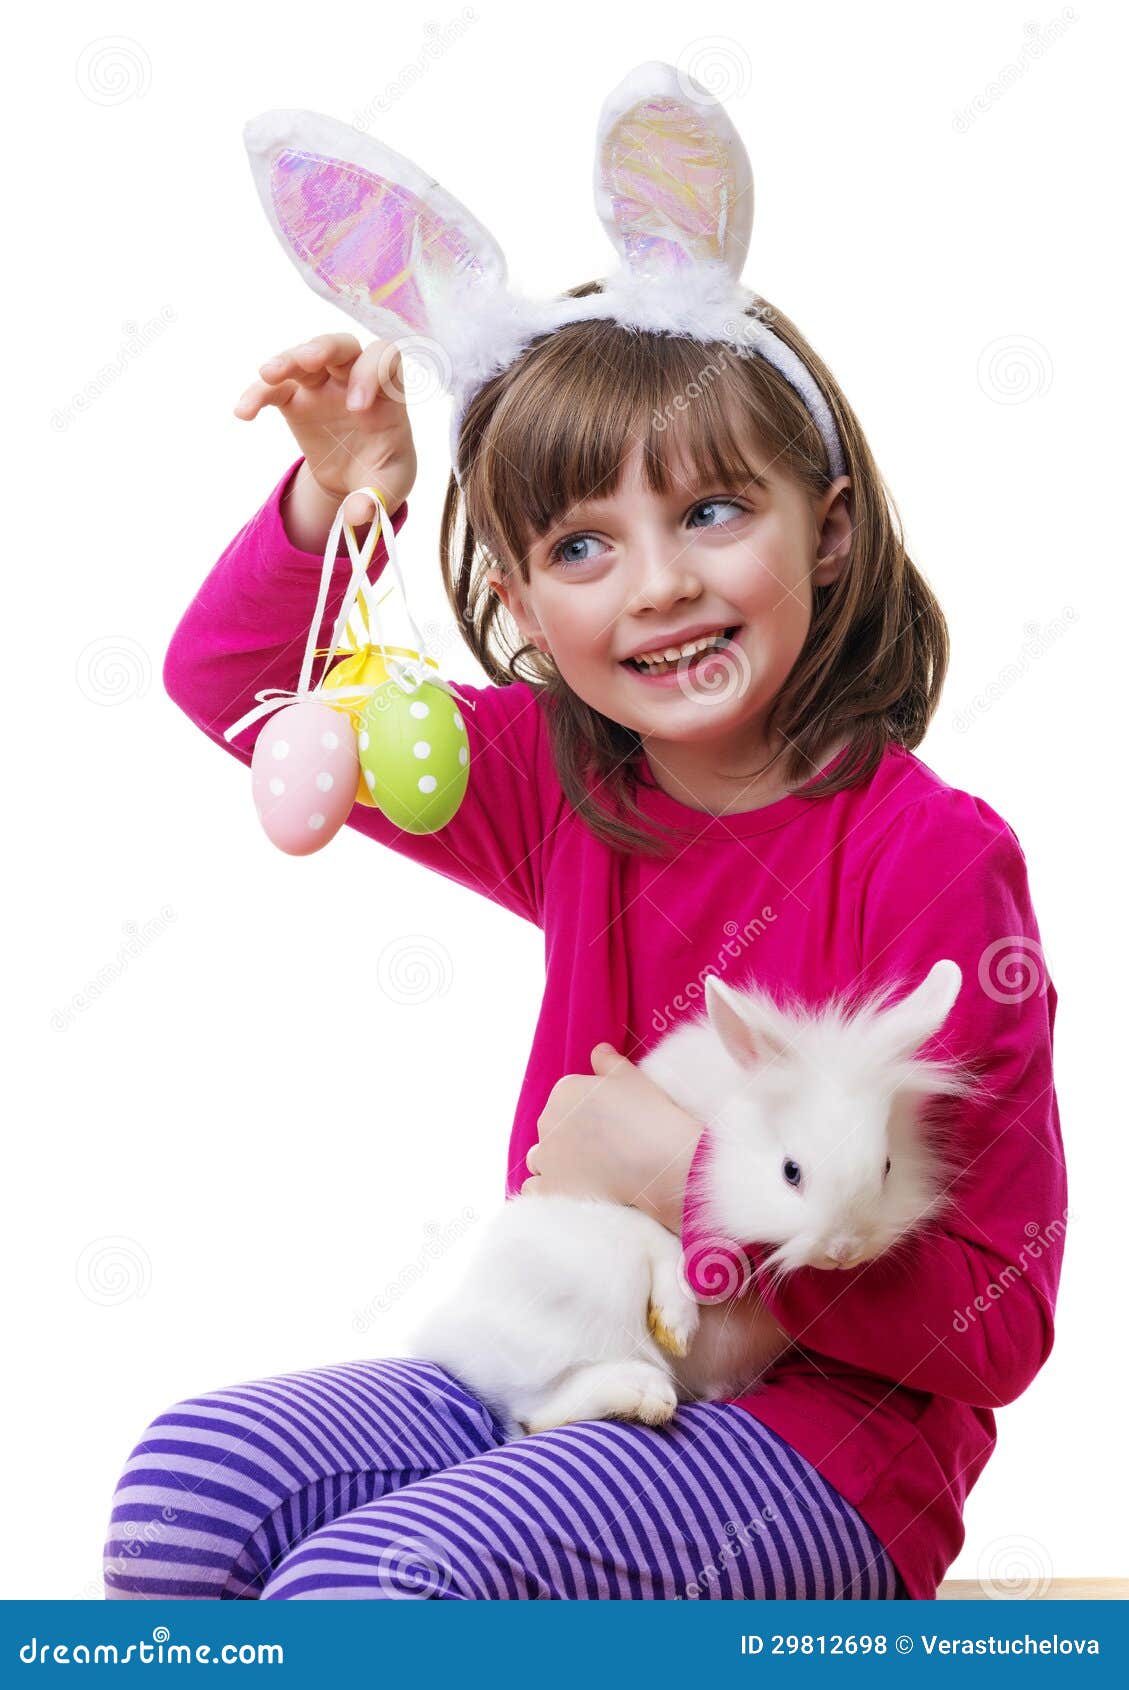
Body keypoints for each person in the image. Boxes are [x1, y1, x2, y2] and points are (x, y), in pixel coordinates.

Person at [101, 289, 1064, 1601]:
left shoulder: (933, 861)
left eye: (710, 512)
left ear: (826, 530)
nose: (660, 583)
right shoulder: (553, 782)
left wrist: (690, 1175)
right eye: (580, 545)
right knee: (188, 1491)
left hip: (817, 1451)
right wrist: (344, 499)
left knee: (382, 1585)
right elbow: (242, 693)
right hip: (553, 1360)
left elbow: (997, 1319)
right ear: (518, 598)